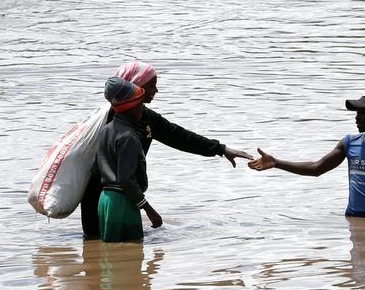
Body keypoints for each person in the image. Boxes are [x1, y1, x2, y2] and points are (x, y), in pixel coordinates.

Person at [81, 61, 253, 239]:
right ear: (135, 88)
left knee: (104, 254)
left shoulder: (141, 117)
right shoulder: (117, 123)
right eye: (151, 85)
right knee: (113, 247)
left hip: (112, 199)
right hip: (103, 196)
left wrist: (220, 149)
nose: (156, 90)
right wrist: (147, 208)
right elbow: (123, 177)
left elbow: (178, 136)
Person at [248, 92, 365, 217]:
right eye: (356, 112)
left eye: (363, 112)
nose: (357, 117)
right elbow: (316, 168)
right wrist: (276, 162)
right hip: (354, 220)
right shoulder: (349, 143)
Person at [97, 77, 162, 242]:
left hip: (105, 200)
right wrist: (148, 209)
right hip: (122, 203)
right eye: (140, 104)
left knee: (110, 260)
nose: (142, 108)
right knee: (129, 260)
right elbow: (126, 179)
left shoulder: (105, 131)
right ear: (132, 107)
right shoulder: (129, 137)